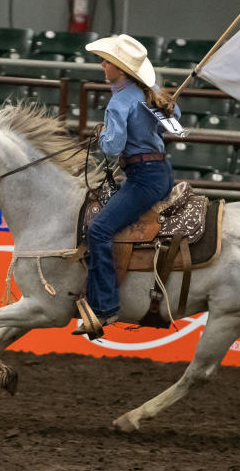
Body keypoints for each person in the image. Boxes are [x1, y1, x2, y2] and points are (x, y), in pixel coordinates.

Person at [75, 34, 180, 337]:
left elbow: (112, 148)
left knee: (99, 229)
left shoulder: (120, 101)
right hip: (160, 171)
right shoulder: (152, 92)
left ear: (120, 69)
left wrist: (104, 133)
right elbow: (176, 122)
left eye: (107, 61)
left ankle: (105, 307)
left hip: (143, 177)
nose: (103, 65)